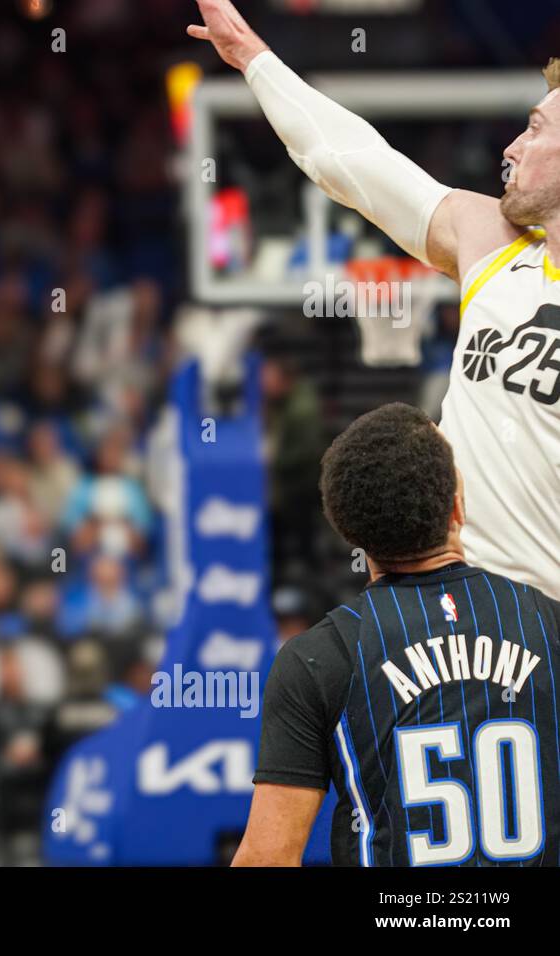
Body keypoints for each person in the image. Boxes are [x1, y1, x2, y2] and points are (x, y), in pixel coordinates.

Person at [189, 0, 560, 600]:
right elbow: (354, 163)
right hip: (459, 616)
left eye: (537, 130)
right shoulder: (492, 243)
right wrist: (254, 58)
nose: (511, 147)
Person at [235, 403, 560, 866]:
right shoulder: (548, 625)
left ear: (350, 532)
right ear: (458, 507)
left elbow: (267, 857)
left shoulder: (319, 658)